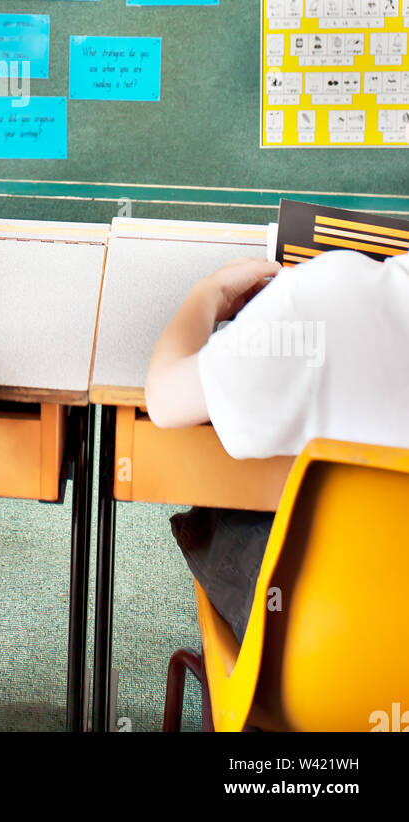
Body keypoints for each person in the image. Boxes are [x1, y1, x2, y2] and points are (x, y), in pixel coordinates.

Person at [145, 195, 409, 643]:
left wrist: (207, 293)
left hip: (308, 658)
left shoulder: (316, 296)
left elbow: (165, 399)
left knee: (223, 515)